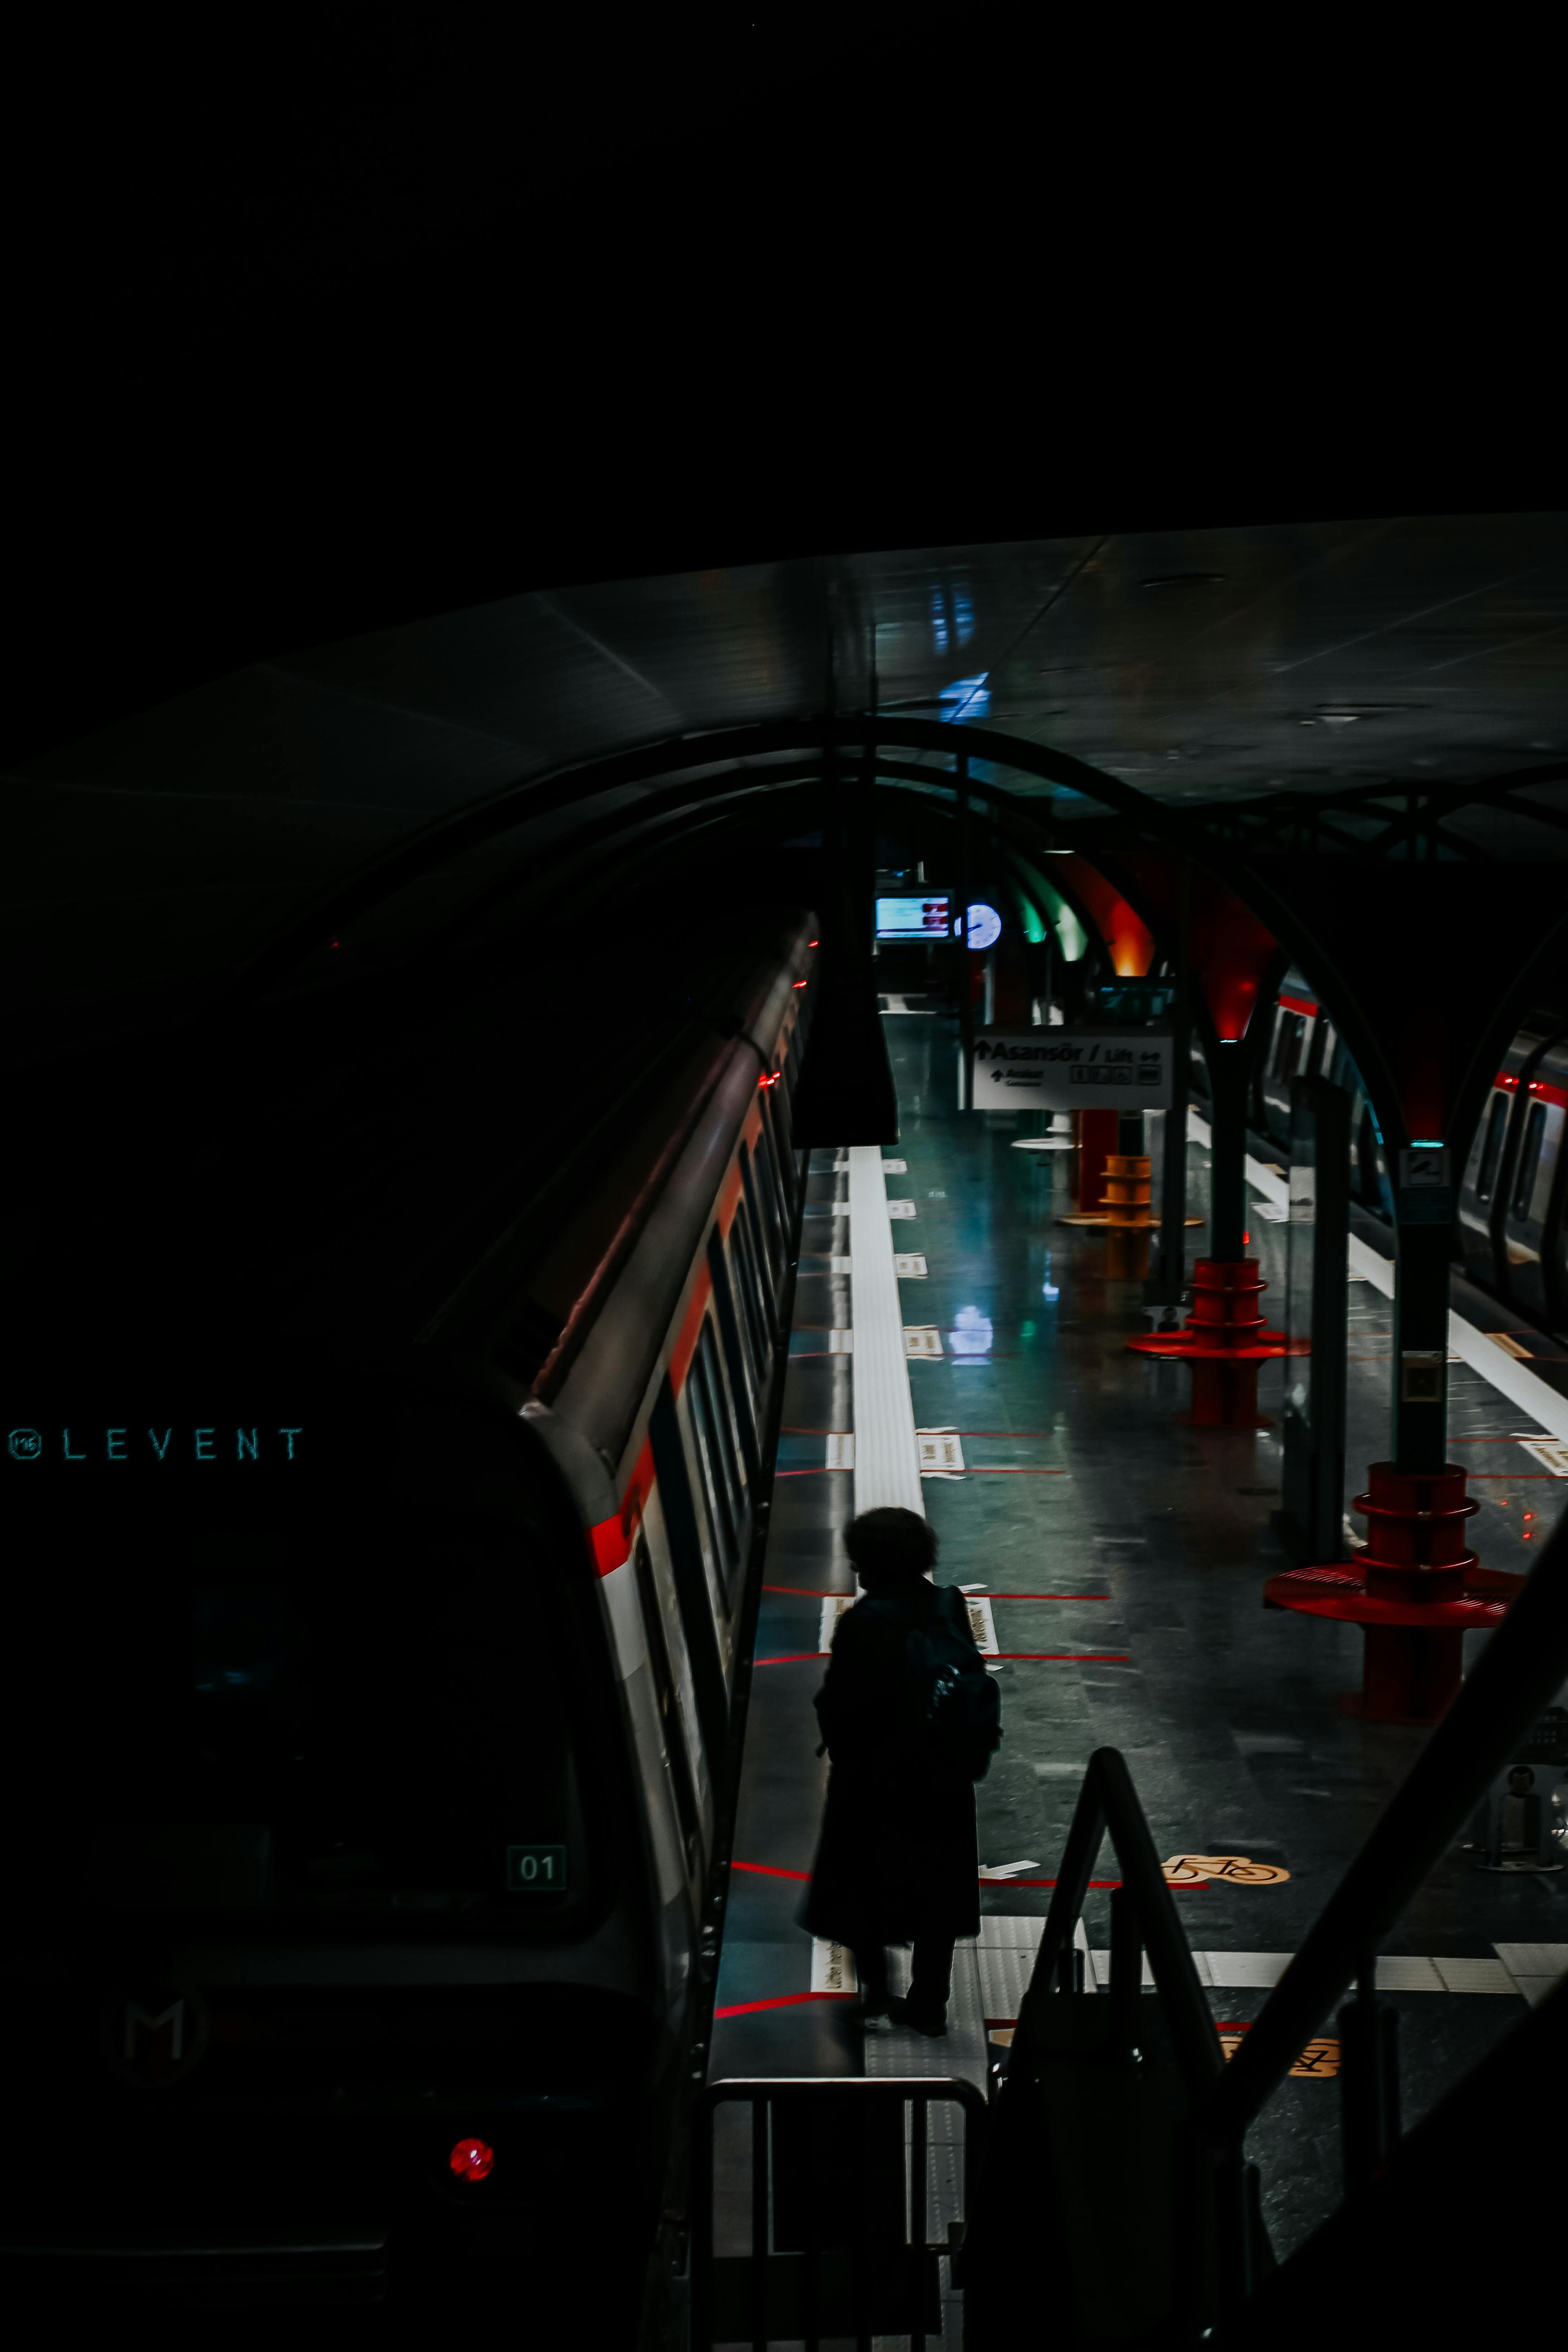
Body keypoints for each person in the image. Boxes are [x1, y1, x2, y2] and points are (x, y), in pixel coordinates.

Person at [800, 1505, 997, 2036]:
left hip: (875, 1782)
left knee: (857, 1887)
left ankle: (879, 1992)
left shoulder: (866, 1622)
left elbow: (839, 1704)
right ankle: (928, 2003)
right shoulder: (947, 1606)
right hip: (945, 1780)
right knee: (938, 1896)